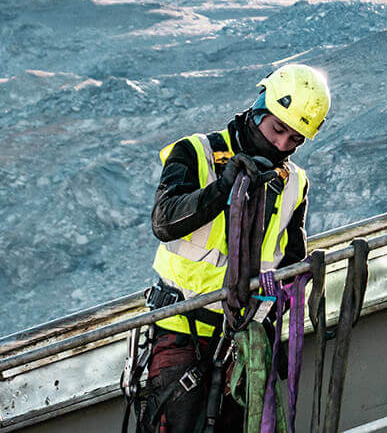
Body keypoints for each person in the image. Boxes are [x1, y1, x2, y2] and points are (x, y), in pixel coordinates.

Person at [139, 63, 331, 433]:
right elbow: (164, 222)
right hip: (182, 328)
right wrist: (221, 189)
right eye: (277, 129)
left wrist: (276, 319)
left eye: (294, 140)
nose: (281, 145)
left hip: (245, 340)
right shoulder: (196, 153)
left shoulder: (294, 184)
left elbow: (290, 262)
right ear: (260, 108)